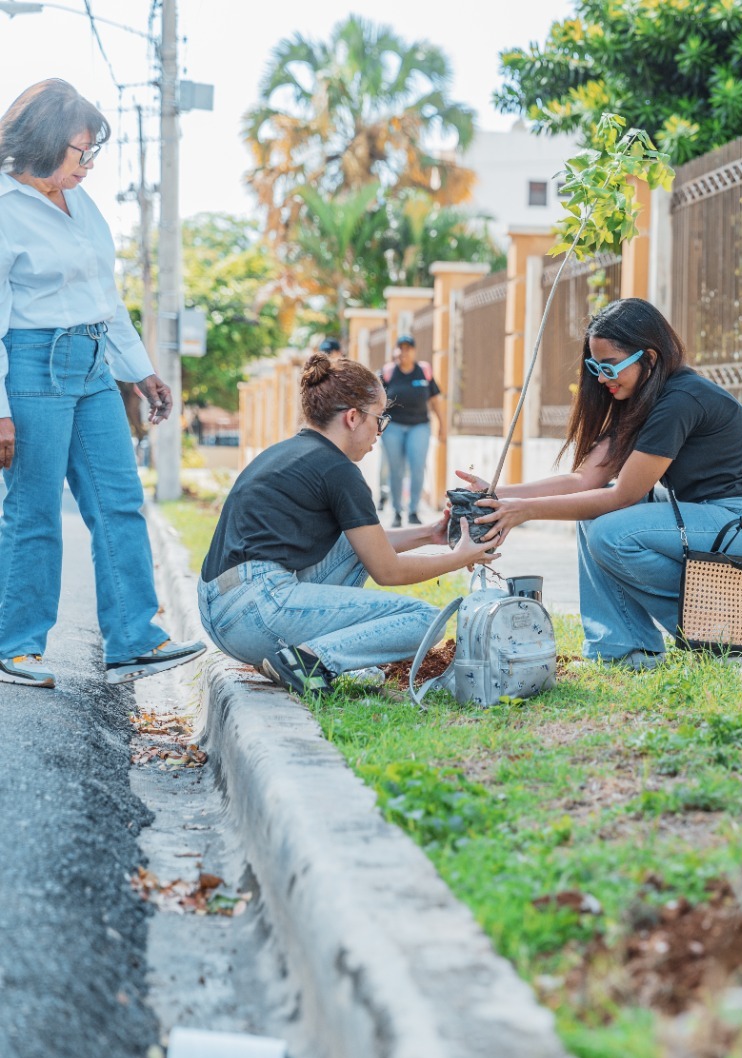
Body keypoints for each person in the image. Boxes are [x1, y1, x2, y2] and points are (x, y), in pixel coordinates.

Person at [0, 79, 205, 688]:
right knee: (34, 511)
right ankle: (17, 646)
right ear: (42, 142)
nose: (88, 165)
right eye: (79, 152)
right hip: (34, 365)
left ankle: (133, 639)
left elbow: (106, 301)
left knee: (119, 501)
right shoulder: (5, 208)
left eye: (92, 154)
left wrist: (140, 370)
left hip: (92, 367)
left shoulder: (80, 204)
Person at [463, 298, 742, 668]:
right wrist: (495, 493)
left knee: (611, 533)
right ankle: (624, 650)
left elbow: (623, 495)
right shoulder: (644, 401)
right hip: (716, 518)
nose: (601, 378)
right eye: (594, 366)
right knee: (593, 517)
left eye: (609, 366)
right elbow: (585, 479)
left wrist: (524, 512)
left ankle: (718, 625)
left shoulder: (680, 399)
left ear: (648, 359)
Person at [197, 352, 502, 696]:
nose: (380, 432)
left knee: (351, 546)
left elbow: (365, 547)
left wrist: (430, 534)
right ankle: (310, 661)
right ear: (354, 417)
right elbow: (388, 571)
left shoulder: (288, 452)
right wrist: (460, 558)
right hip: (258, 613)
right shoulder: (340, 471)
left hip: (221, 610)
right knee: (426, 619)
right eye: (379, 419)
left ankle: (295, 657)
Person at [381, 334, 442, 528]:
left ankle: (414, 510)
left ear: (413, 351)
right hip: (394, 427)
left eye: (407, 348)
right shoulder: (388, 373)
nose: (403, 352)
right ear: (395, 351)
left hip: (419, 426)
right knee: (395, 470)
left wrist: (442, 426)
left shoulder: (423, 372)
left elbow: (435, 401)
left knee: (417, 467)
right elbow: (375, 400)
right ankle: (397, 512)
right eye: (400, 348)